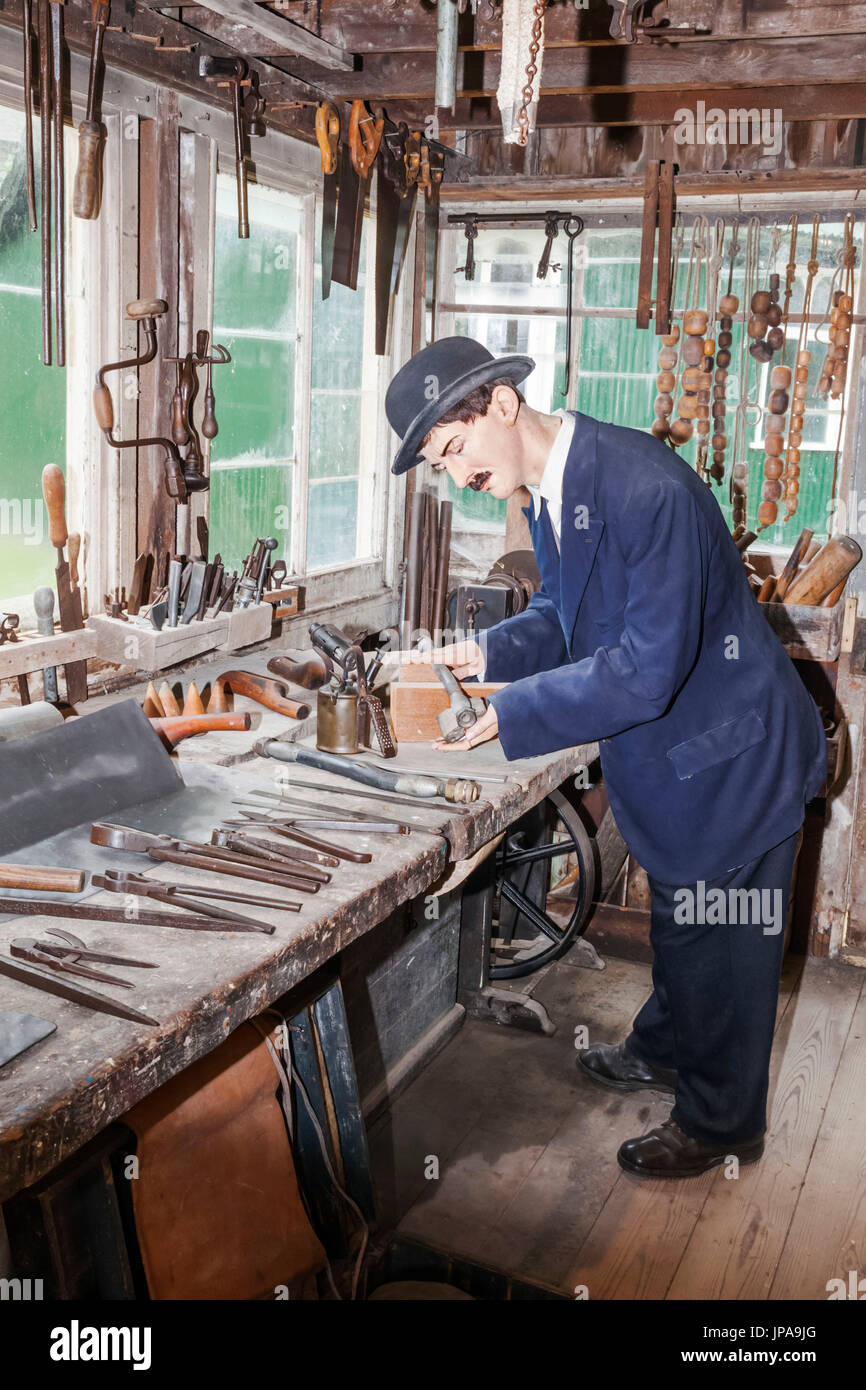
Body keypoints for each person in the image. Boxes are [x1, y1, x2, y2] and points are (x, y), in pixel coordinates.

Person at [384, 336, 827, 1179]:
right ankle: (665, 1047)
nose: (453, 476)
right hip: (681, 755)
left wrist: (515, 713)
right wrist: (492, 655)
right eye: (440, 463)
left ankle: (721, 1122)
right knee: (684, 924)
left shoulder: (644, 489)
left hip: (735, 757)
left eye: (452, 450)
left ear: (502, 406)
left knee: (721, 940)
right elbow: (564, 609)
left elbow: (644, 671)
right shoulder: (553, 491)